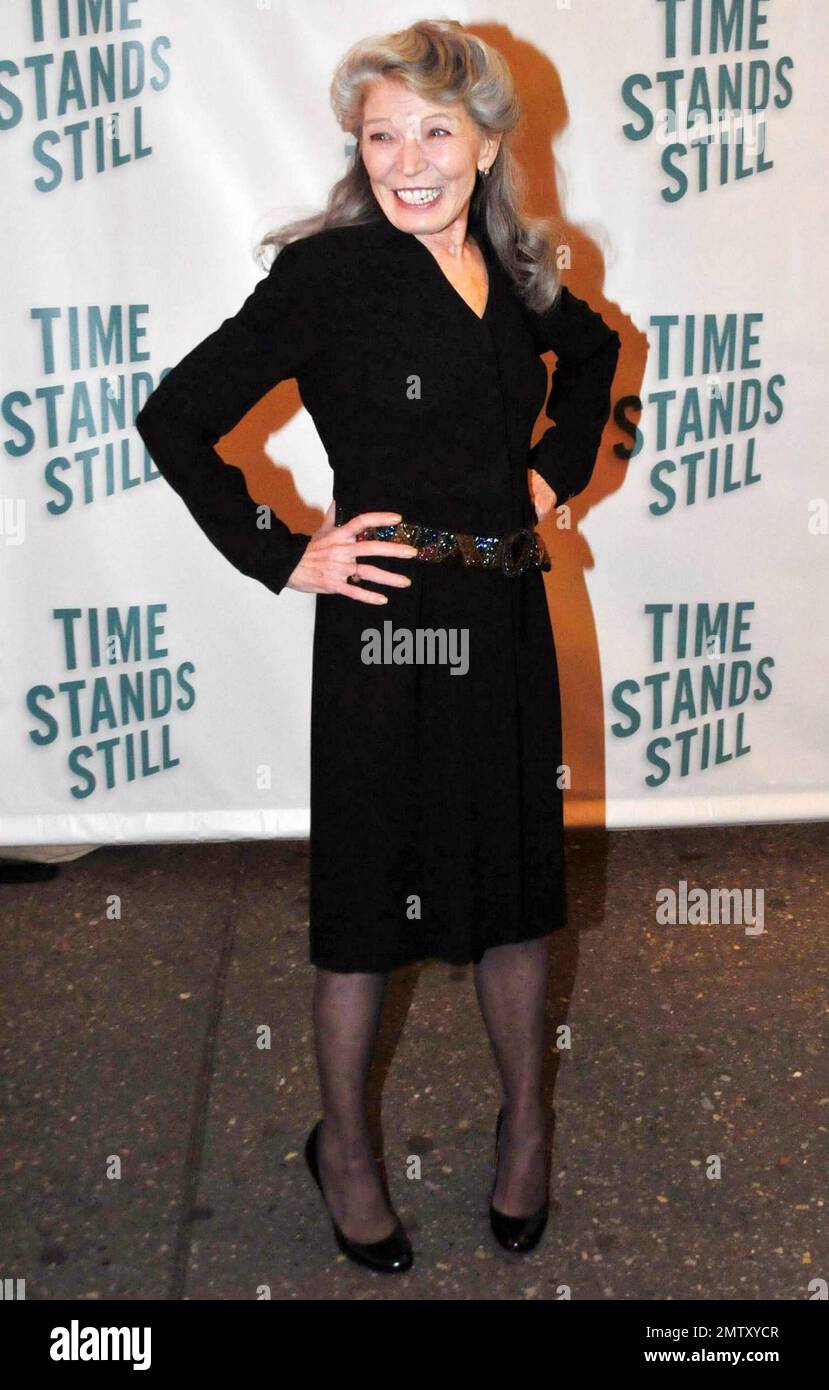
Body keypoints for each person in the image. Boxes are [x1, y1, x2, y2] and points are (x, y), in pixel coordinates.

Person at [135, 18, 621, 1275]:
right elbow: (175, 416)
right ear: (357, 149)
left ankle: (525, 1127)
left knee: (516, 896)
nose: (409, 161)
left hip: (504, 619)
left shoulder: (514, 266)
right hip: (387, 630)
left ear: (488, 144)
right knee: (362, 913)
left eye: (436, 132)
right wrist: (283, 550)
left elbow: (592, 354)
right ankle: (344, 1151)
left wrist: (553, 471)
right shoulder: (332, 277)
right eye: (381, 135)